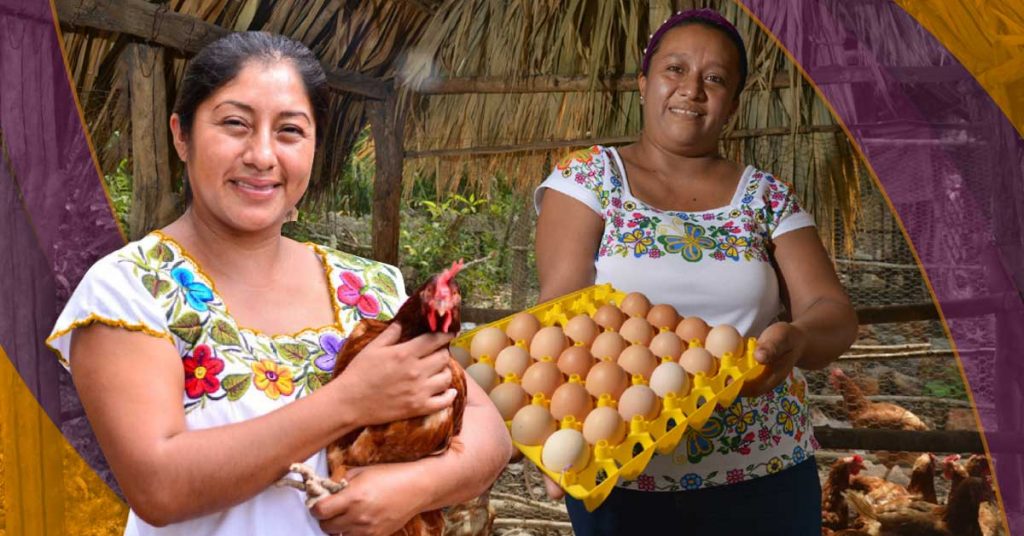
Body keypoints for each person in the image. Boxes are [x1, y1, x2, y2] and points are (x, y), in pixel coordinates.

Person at [47, 32, 511, 536]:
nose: (262, 155)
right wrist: (349, 401)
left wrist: (413, 488)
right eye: (234, 124)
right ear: (181, 135)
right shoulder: (132, 289)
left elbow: (487, 431)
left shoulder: (370, 287)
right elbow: (159, 485)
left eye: (290, 130)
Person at [534, 9, 857, 535]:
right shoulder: (590, 177)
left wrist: (797, 338)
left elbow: (833, 312)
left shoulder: (765, 195)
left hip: (763, 466)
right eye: (675, 70)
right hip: (624, 465)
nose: (692, 90)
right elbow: (557, 310)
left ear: (732, 102)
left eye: (715, 78)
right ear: (643, 83)